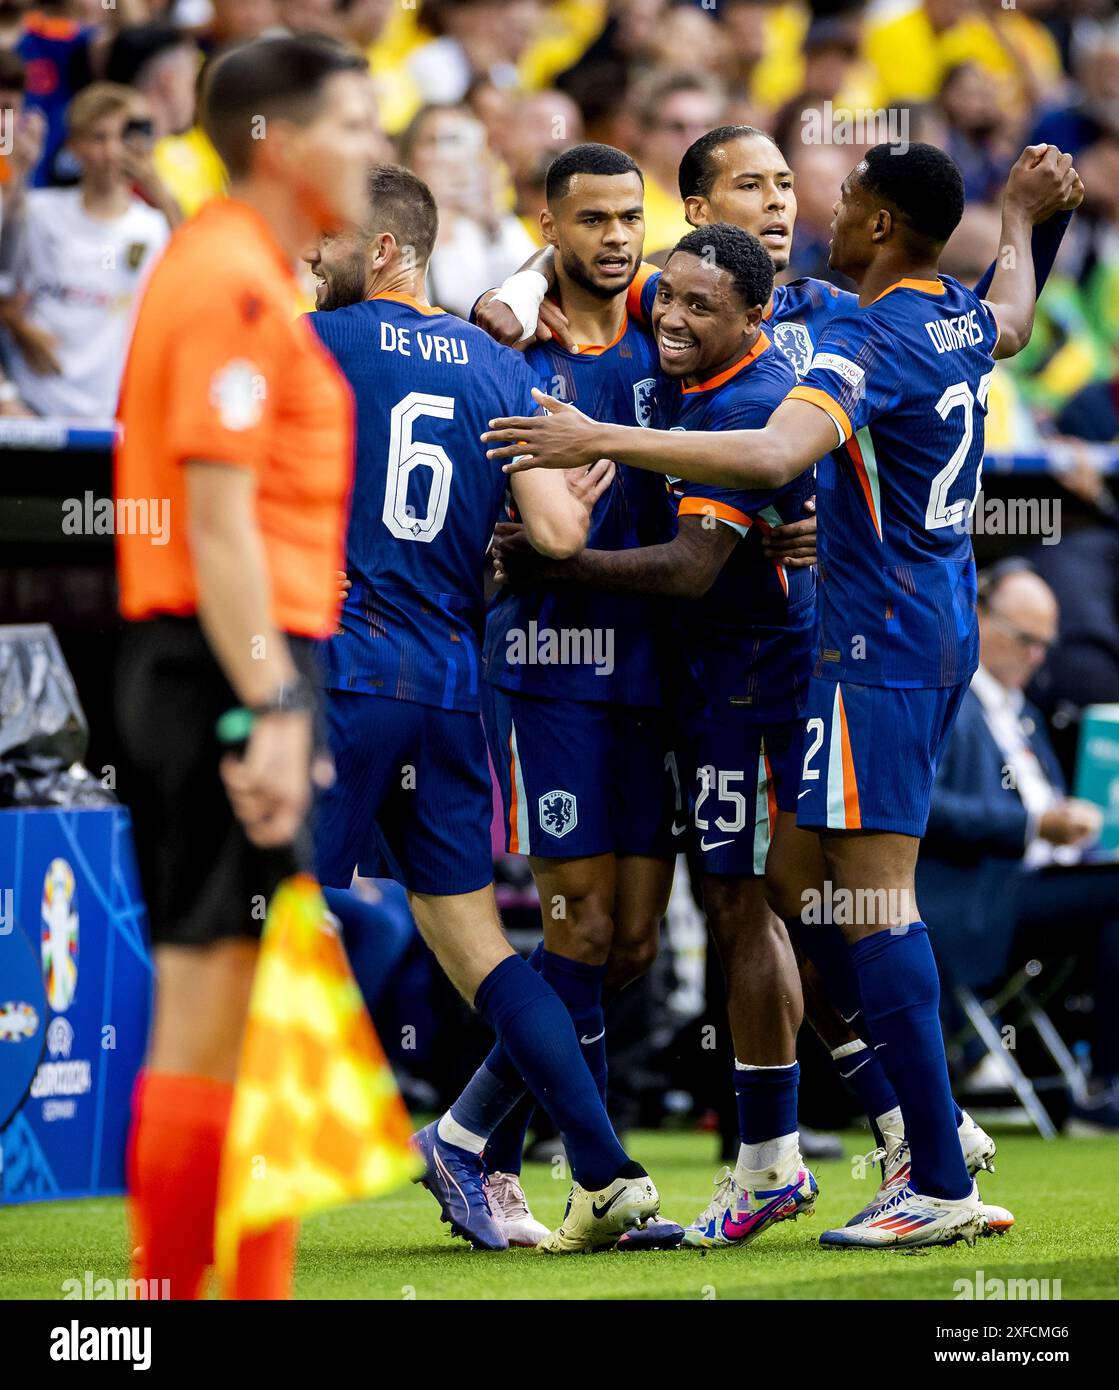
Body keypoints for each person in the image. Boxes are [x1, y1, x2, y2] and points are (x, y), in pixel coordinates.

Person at [482, 140, 1082, 1247]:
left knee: (867, 896)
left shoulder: (857, 335)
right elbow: (1013, 315)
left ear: (886, 229)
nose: (819, 209)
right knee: (798, 877)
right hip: (929, 627)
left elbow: (765, 455)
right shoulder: (953, 312)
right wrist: (1019, 218)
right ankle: (888, 1131)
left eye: (844, 200)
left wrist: (590, 434)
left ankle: (932, 1167)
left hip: (864, 647)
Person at [304, 160, 661, 1256]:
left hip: (336, 676)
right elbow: (557, 535)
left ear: (379, 251)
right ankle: (607, 1176)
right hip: (452, 692)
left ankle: (221, 1191)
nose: (305, 258)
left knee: (254, 928)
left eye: (321, 241)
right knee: (487, 955)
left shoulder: (313, 344)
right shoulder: (494, 367)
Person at [493, 221, 821, 1249]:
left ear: (753, 316)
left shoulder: (753, 402)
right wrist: (508, 287)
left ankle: (832, 1147)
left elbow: (687, 570)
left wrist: (555, 567)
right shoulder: (665, 310)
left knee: (780, 904)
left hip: (764, 687)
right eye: (664, 296)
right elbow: (586, 265)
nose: (669, 316)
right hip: (689, 687)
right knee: (662, 926)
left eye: (696, 306)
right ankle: (504, 1144)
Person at [115, 33, 379, 1300]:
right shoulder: (224, 276)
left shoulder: (250, 273)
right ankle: (181, 1299)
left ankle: (218, 1294)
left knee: (251, 1010)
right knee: (219, 1012)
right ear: (277, 137)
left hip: (233, 664)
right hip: (226, 667)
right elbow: (214, 523)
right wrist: (274, 700)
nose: (374, 148)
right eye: (353, 122)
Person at [457, 142, 677, 1247]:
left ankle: (462, 1135)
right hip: (549, 666)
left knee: (630, 942)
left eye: (630, 215)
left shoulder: (670, 327)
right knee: (576, 922)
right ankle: (560, 1174)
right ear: (549, 225)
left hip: (658, 665)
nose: (616, 236)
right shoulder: (509, 346)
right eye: (591, 218)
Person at [920, 560, 1119, 1130]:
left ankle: (1103, 1087)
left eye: (1045, 646)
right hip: (976, 894)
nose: (1037, 657)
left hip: (1038, 885)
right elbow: (925, 807)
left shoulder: (1024, 712)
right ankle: (1103, 1086)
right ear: (981, 619)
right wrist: (1034, 825)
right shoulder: (950, 699)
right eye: (1027, 640)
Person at [3, 82, 171, 418]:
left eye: (124, 137)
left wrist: (158, 189)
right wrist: (16, 325)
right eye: (98, 137)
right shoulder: (37, 212)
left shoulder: (153, 228)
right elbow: (5, 283)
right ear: (73, 145)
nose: (112, 152)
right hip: (31, 408)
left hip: (111, 413)